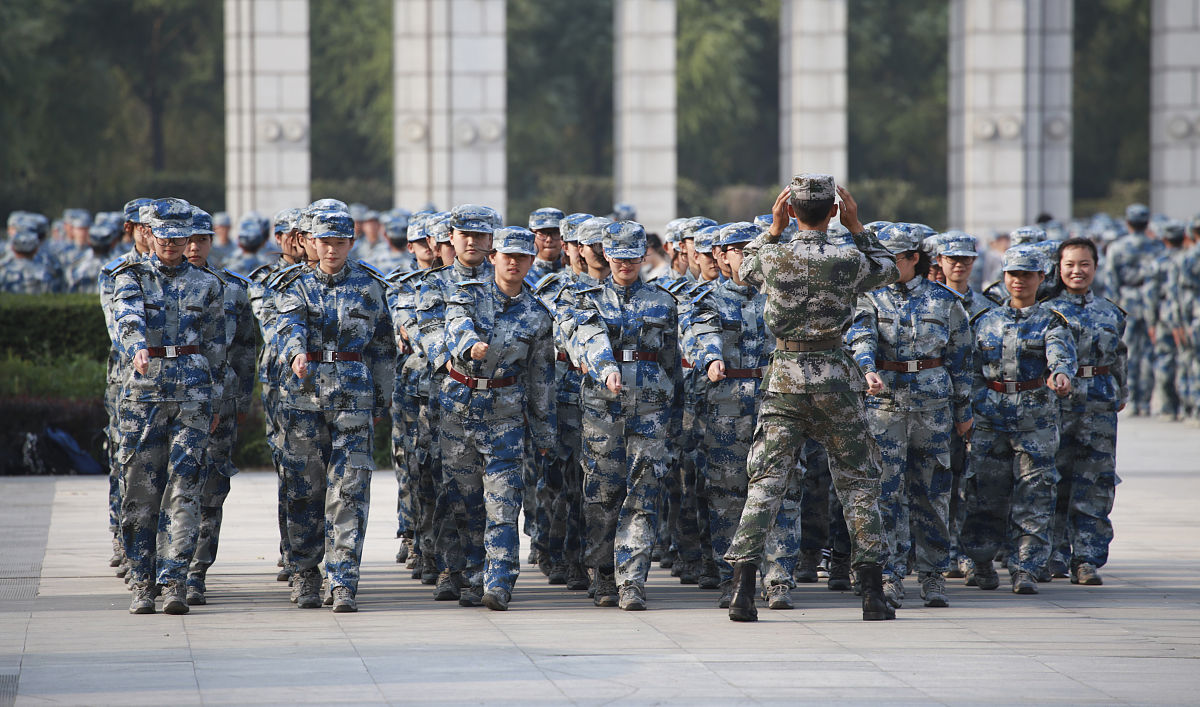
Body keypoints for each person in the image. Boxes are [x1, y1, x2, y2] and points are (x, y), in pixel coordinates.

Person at [722, 174, 898, 622]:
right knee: (858, 484)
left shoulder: (775, 256)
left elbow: (741, 271)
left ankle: (743, 590)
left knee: (766, 484)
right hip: (836, 377)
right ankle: (873, 593)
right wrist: (858, 227)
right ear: (834, 210)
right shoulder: (847, 257)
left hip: (785, 378)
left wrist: (774, 228)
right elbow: (889, 269)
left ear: (793, 209)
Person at [111, 197, 228, 614]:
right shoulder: (130, 278)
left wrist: (216, 398)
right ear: (151, 235)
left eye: (181, 238)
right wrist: (137, 347)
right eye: (166, 237)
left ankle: (174, 580)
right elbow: (126, 318)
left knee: (186, 487)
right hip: (145, 393)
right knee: (142, 488)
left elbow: (217, 348)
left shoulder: (207, 284)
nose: (174, 246)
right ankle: (142, 580)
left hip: (194, 393)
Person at [848, 223, 974, 609]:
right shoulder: (869, 298)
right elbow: (861, 337)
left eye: (893, 260)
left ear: (914, 259)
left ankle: (934, 575)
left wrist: (964, 410)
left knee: (933, 490)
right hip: (884, 403)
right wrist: (867, 367)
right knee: (885, 492)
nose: (885, 267)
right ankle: (889, 575)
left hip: (932, 405)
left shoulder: (946, 301)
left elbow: (961, 359)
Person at [275, 209, 395, 612]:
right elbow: (287, 326)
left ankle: (342, 578)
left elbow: (382, 347)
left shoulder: (370, 285)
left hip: (353, 399)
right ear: (309, 242)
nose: (330, 249)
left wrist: (382, 398)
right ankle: (305, 572)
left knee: (350, 489)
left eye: (339, 242)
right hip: (303, 398)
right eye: (323, 241)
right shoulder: (293, 284)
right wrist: (296, 355)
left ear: (351, 243)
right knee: (304, 488)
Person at [440, 226, 556, 610]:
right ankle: (472, 575)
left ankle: (500, 580)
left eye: (522, 257)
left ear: (531, 261)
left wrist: (544, 432)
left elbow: (541, 379)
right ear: (492, 257)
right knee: (464, 501)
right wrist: (470, 345)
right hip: (461, 408)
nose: (514, 263)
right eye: (507, 255)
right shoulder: (466, 295)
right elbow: (456, 325)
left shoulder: (538, 315)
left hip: (506, 413)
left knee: (504, 501)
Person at [572, 220, 681, 610]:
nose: (625, 264)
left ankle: (631, 580)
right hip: (602, 410)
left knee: (643, 491)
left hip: (650, 409)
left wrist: (676, 417)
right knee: (603, 493)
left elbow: (672, 364)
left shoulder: (664, 302)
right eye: (617, 256)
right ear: (606, 255)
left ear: (642, 256)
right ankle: (602, 574)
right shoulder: (585, 300)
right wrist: (605, 367)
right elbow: (584, 339)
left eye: (633, 256)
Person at [959, 245, 1076, 595]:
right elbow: (970, 369)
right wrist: (968, 410)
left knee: (1034, 494)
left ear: (1041, 278)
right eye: (1013, 274)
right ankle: (981, 562)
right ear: (1004, 277)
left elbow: (1060, 357)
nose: (1019, 281)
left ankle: (1025, 567)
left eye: (1027, 274)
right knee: (984, 493)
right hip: (989, 418)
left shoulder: (1052, 322)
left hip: (1035, 420)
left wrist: (1060, 375)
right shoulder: (984, 321)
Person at [414, 204, 500, 602]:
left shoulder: (501, 282)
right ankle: (450, 565)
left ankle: (483, 568)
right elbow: (429, 328)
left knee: (490, 489)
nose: (471, 241)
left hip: (497, 400)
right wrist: (448, 357)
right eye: (464, 233)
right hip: (445, 395)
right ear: (451, 236)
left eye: (479, 235)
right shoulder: (436, 283)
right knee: (451, 485)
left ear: (490, 240)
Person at [181, 207, 257, 606]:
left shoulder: (232, 288)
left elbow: (245, 352)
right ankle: (166, 565)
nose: (194, 247)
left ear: (213, 242)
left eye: (202, 240)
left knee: (212, 488)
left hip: (218, 405)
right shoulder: (153, 285)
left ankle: (196, 572)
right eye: (188, 240)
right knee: (170, 486)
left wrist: (241, 400)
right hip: (170, 402)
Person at [1044, 237, 1127, 585]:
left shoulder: (1111, 312)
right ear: (1058, 268)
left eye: (1084, 264)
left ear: (1095, 266)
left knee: (1095, 482)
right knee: (1054, 478)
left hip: (1099, 406)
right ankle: (1054, 554)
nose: (1077, 271)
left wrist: (1122, 391)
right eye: (1070, 265)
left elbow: (1119, 357)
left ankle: (1087, 558)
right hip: (1058, 406)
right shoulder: (1046, 310)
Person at [1100, 204, 1162, 416]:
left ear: (1128, 222)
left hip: (1126, 302)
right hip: (1151, 302)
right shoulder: (1157, 246)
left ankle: (1133, 399)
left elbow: (1111, 281)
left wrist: (1112, 309)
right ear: (1147, 223)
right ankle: (1145, 401)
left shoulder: (1117, 247)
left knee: (1128, 352)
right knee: (1150, 354)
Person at [528, 207, 565, 283]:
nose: (549, 239)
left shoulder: (574, 272)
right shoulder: (522, 274)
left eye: (555, 233)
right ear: (532, 236)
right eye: (542, 233)